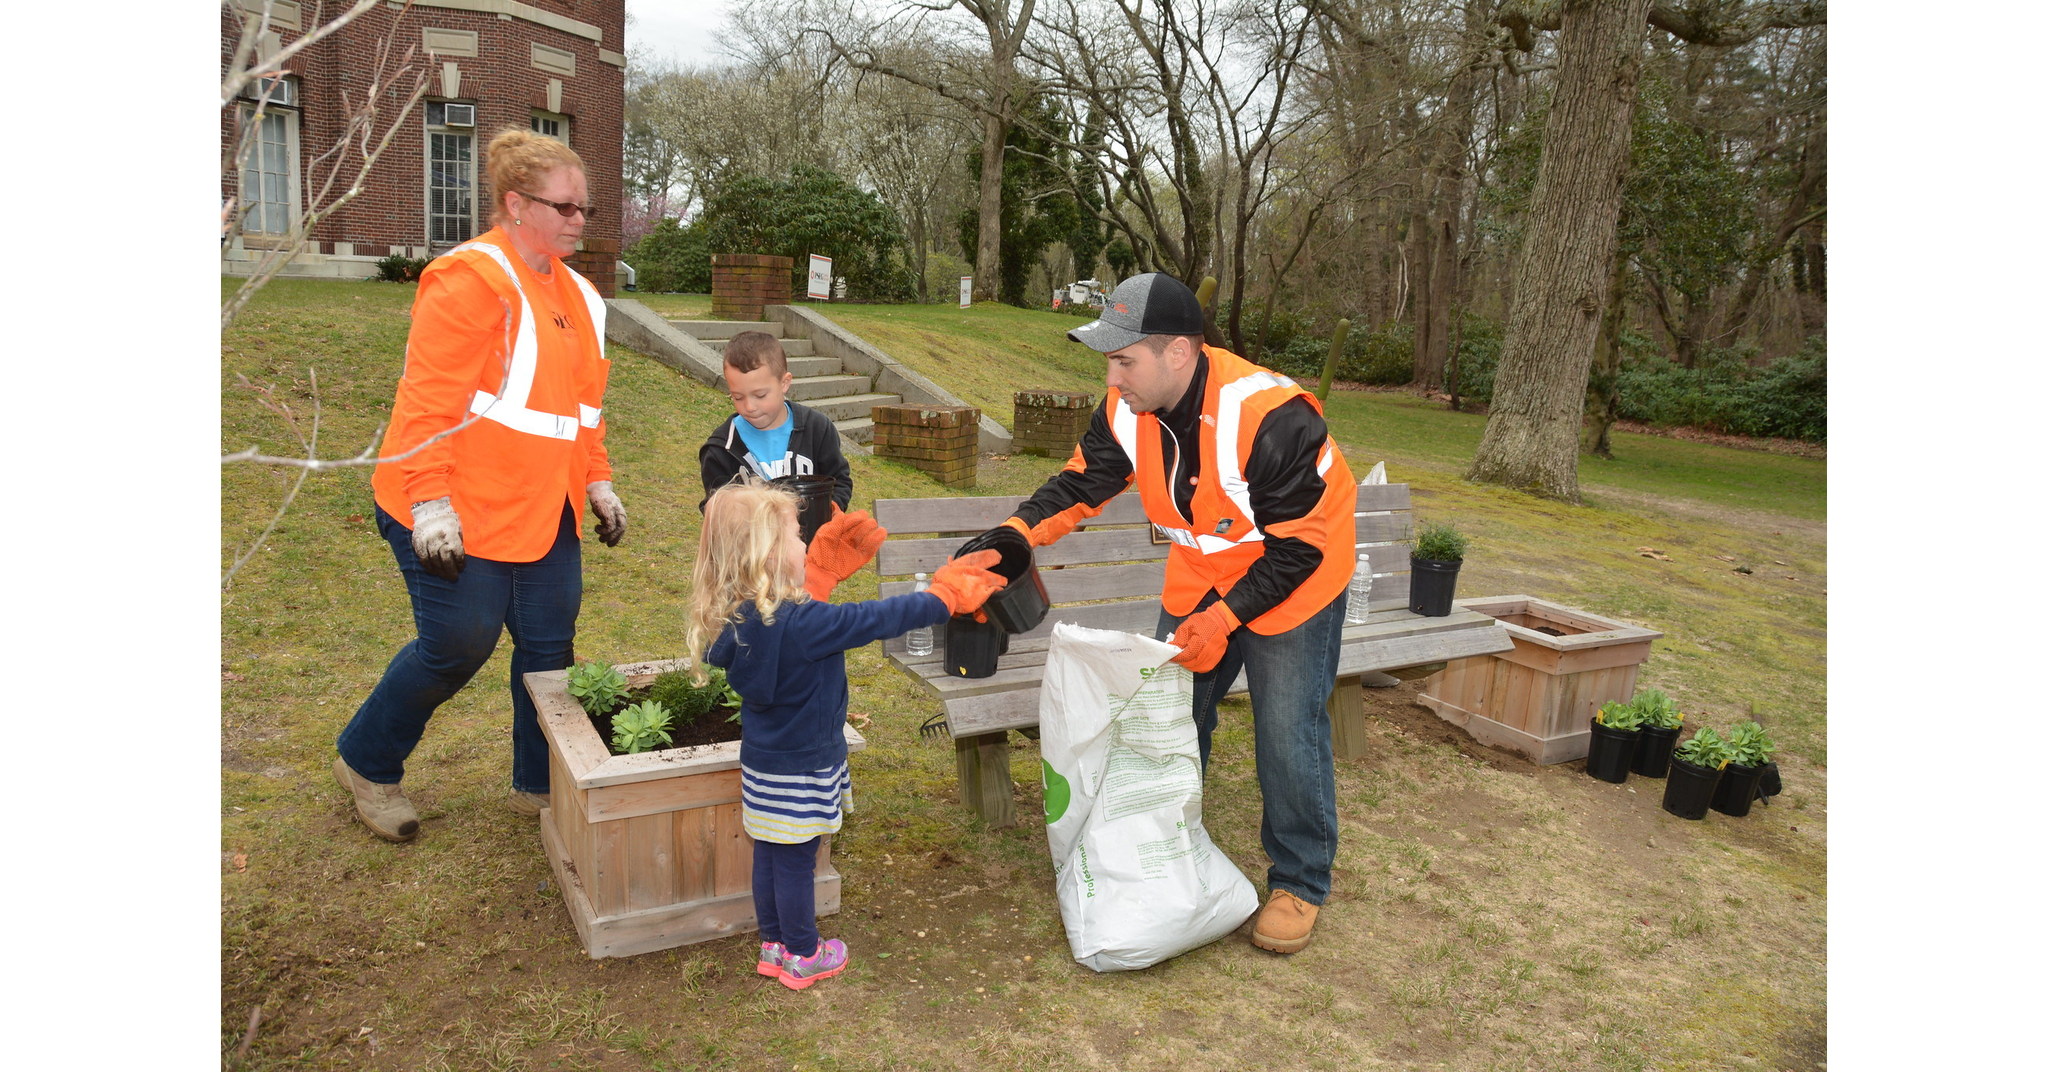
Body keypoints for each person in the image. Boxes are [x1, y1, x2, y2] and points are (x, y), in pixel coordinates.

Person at [997, 272, 1357, 955]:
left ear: (1180, 354)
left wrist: (1225, 620)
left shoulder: (1274, 416)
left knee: (1287, 729)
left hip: (1297, 579)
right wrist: (1016, 533)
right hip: (1202, 574)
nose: (1113, 373)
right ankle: (1165, 846)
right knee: (1168, 714)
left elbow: (1299, 549)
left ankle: (1301, 880)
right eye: (1110, 358)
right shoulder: (1126, 406)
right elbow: (1082, 481)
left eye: (1124, 358)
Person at [333, 127, 627, 842]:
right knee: (458, 642)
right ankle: (367, 762)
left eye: (584, 208)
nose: (578, 220)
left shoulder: (585, 299)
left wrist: (599, 483)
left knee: (549, 647)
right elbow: (426, 407)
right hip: (453, 504)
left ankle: (540, 782)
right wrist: (431, 504)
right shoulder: (472, 279)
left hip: (541, 509)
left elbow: (582, 415)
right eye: (563, 207)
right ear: (514, 204)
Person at [687, 479, 1005, 989]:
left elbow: (795, 624)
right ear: (769, 553)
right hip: (803, 765)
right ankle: (805, 953)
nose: (804, 545)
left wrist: (814, 576)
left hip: (763, 764)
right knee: (796, 860)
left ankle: (774, 945)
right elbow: (874, 618)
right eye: (795, 537)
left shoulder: (741, 615)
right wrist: (943, 597)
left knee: (770, 850)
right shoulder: (804, 625)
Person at [699, 330, 853, 512]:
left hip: (815, 539)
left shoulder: (817, 428)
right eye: (738, 397)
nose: (749, 406)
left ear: (784, 383)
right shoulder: (720, 449)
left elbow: (839, 482)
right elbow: (717, 511)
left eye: (760, 395)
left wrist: (827, 517)